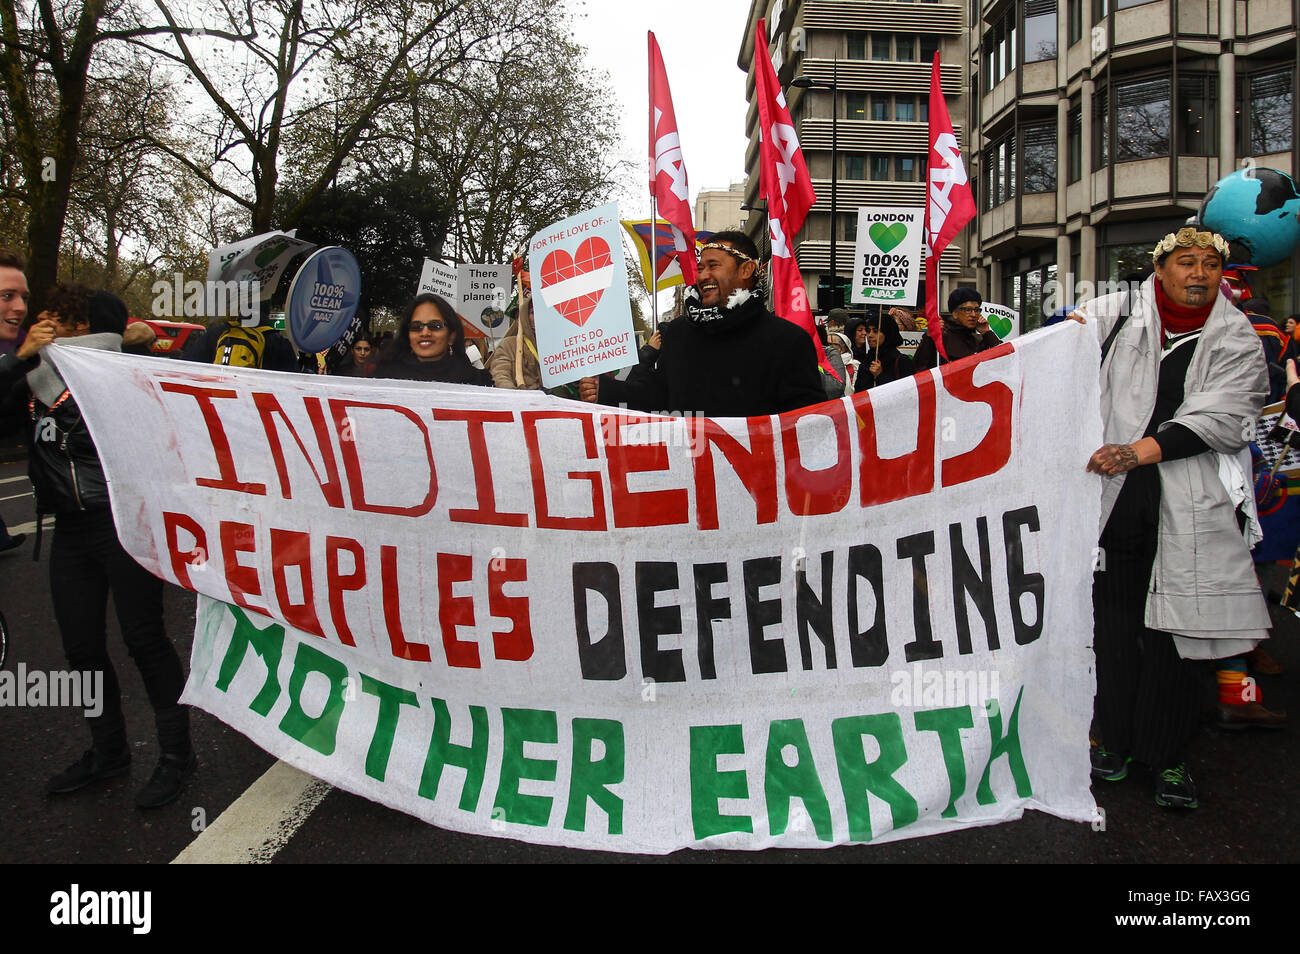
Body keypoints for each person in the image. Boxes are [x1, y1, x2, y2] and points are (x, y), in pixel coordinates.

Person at [1078, 226, 1270, 809]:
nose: (1199, 274)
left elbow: (1224, 418)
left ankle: (1168, 757)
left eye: (1210, 265)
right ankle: (1112, 739)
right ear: (1159, 270)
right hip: (1111, 500)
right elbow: (1048, 360)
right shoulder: (1111, 316)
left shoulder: (1236, 338)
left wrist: (1134, 452)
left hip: (1189, 500)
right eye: (1186, 262)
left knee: (1176, 631)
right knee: (1108, 625)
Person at [0, 282, 195, 808]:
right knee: (82, 648)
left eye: (51, 319)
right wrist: (18, 362)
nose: (38, 326)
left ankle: (177, 756)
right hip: (69, 532)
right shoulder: (31, 379)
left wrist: (131, 345)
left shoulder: (115, 377)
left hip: (122, 522)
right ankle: (108, 753)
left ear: (80, 329)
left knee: (144, 640)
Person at [578, 231, 824, 416]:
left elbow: (805, 424)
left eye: (713, 266)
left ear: (747, 269)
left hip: (756, 479)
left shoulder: (788, 341)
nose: (702, 276)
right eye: (700, 268)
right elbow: (658, 395)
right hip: (689, 474)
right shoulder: (678, 333)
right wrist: (607, 391)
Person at [373, 294, 492, 386]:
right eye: (416, 326)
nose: (425, 333)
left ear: (451, 336)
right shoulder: (384, 376)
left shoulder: (476, 380)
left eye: (435, 325)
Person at [912, 288, 1000, 369]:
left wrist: (987, 333)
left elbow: (1003, 361)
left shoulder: (979, 340)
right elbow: (919, 367)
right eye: (968, 309)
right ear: (955, 313)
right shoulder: (941, 339)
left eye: (976, 310)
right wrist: (930, 336)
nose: (973, 315)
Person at [854, 314, 913, 392]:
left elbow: (906, 392)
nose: (870, 335)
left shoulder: (901, 361)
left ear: (887, 333)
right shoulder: (867, 360)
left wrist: (880, 375)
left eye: (875, 331)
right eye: (868, 331)